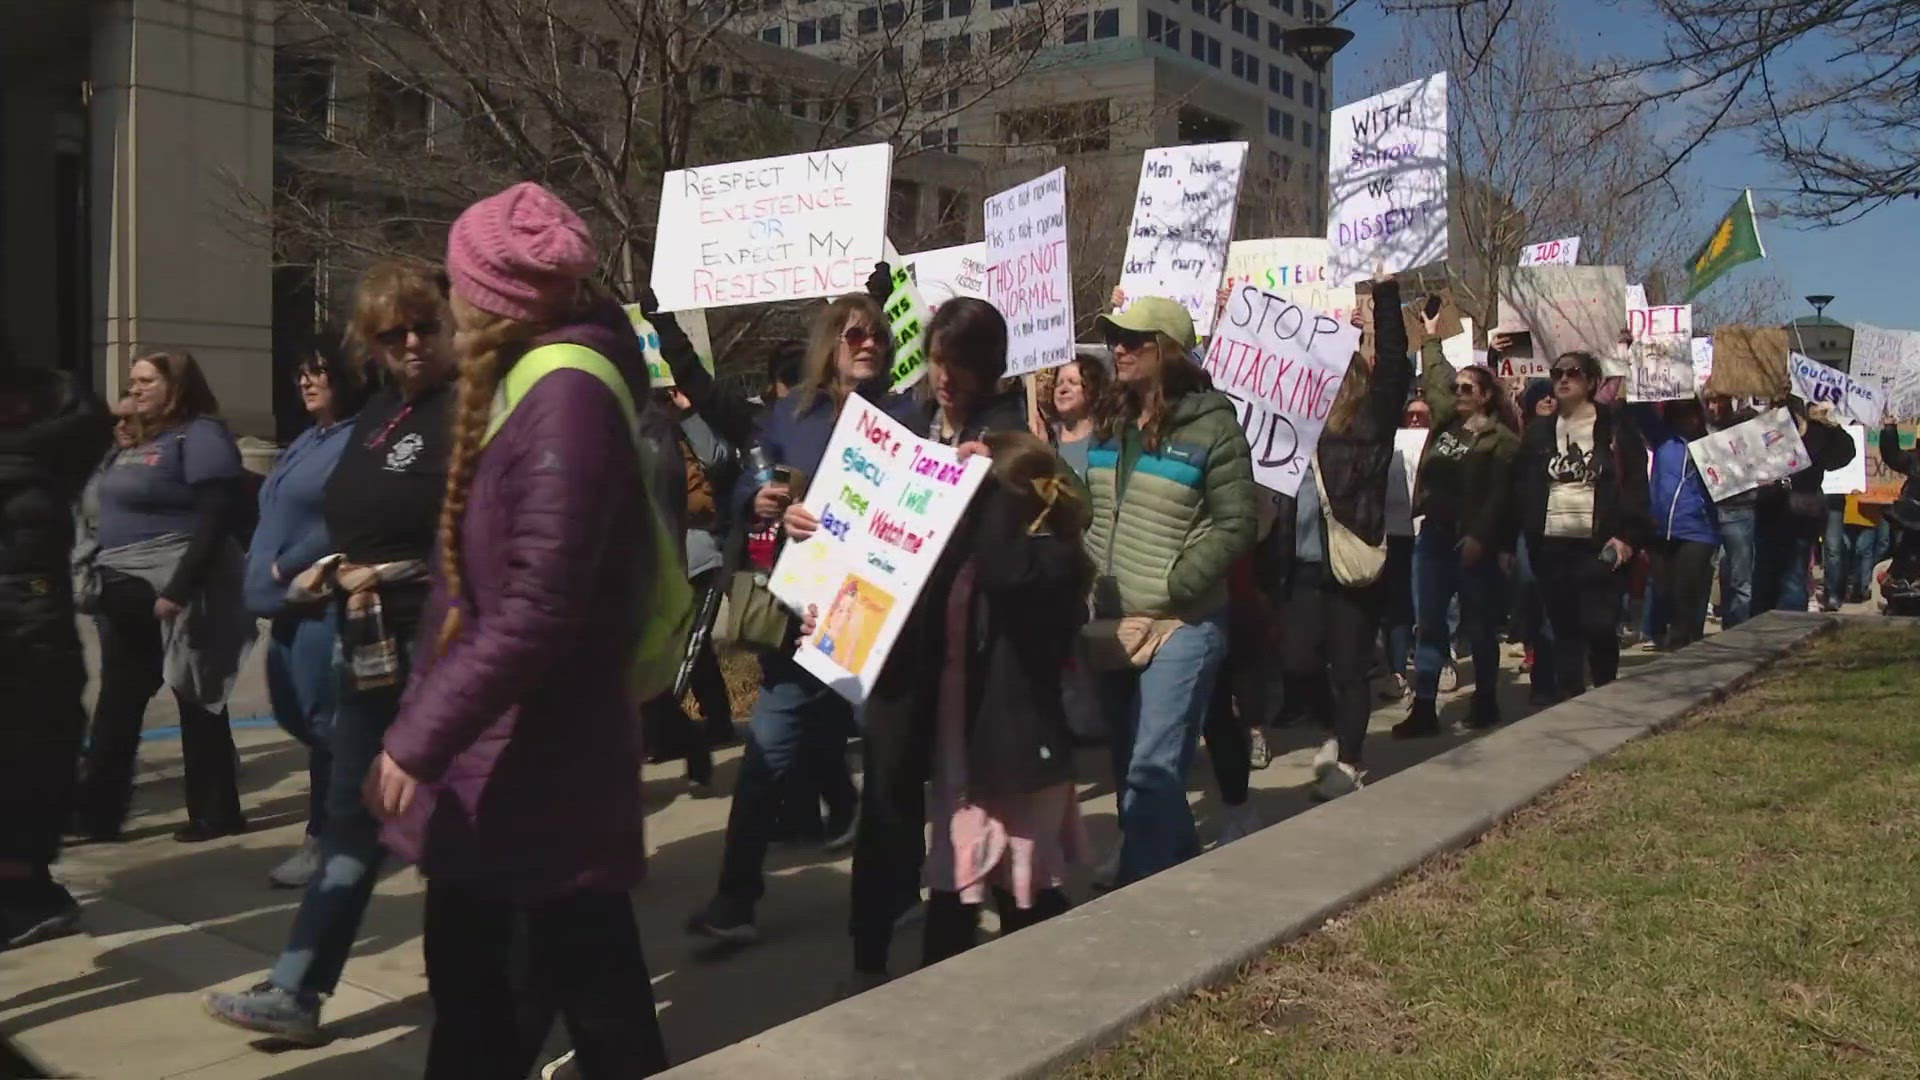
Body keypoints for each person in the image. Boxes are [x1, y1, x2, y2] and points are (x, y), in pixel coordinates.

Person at [373, 182, 669, 1075]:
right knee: (576, 992)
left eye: (455, 282)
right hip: (515, 761)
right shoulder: (534, 382)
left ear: (486, 294)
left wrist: (418, 739)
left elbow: (539, 604)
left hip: (533, 765)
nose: (446, 300)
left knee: (494, 1013)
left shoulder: (563, 395)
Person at [205, 261, 455, 1043]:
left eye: (424, 326)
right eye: (391, 332)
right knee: (350, 819)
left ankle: (480, 988)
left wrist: (400, 571)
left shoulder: (471, 407)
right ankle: (297, 989)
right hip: (367, 636)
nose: (410, 342)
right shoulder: (382, 412)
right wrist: (331, 566)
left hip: (437, 642)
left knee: (453, 823)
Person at [686, 290, 910, 950]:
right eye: (854, 335)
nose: (868, 345)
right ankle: (736, 899)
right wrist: (763, 501)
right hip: (799, 614)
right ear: (829, 345)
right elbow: (748, 487)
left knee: (890, 759)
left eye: (877, 336)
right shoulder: (790, 416)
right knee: (766, 754)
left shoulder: (906, 415)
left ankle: (899, 892)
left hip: (873, 615)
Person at [844, 297, 1034, 988]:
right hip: (896, 649)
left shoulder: (1011, 437)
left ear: (990, 367)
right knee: (886, 801)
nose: (945, 377)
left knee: (972, 801)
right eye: (936, 361)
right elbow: (856, 511)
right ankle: (868, 956)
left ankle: (989, 937)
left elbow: (1035, 549)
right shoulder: (902, 421)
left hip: (974, 657)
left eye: (960, 364)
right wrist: (813, 520)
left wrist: (995, 484)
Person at [1084, 295, 1257, 882]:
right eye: (1116, 338)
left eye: (1135, 339)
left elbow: (1239, 523)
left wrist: (1177, 583)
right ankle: (1174, 871)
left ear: (1170, 350)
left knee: (1151, 768)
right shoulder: (1109, 422)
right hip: (1113, 623)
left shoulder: (1214, 426)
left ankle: (1142, 893)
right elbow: (1095, 512)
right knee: (1129, 765)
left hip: (1183, 624)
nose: (1120, 348)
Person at [73, 350, 254, 843]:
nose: (135, 389)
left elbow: (216, 518)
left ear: (178, 385)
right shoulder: (138, 437)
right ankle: (98, 815)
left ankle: (216, 812)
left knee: (196, 696)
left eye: (147, 381)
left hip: (176, 586)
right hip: (122, 586)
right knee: (119, 702)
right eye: (132, 380)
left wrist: (179, 589)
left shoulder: (200, 435)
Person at [1255, 275, 1412, 800]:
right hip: (1298, 565)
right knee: (1297, 661)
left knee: (1349, 668)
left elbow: (1395, 366)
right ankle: (1334, 731)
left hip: (1349, 562)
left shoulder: (1369, 423)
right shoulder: (1288, 425)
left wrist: (1385, 296)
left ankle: (1350, 760)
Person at [243, 338, 370, 888]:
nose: (306, 381)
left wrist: (288, 565)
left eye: (318, 372)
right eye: (301, 372)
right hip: (283, 607)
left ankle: (331, 836)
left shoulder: (357, 438)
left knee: (326, 724)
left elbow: (345, 516)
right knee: (298, 715)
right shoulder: (307, 438)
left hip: (320, 603)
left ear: (346, 377)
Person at [0, 353, 110, 948]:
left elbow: (86, 421)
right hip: (29, 624)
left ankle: (26, 891)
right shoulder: (36, 454)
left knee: (35, 754)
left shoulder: (41, 447)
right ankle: (25, 892)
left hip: (30, 622)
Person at [1394, 334, 1519, 738]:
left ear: (1485, 396)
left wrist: (1481, 537)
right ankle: (1424, 707)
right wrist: (1430, 336)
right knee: (1429, 623)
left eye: (1467, 388)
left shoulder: (1502, 440)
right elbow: (1435, 377)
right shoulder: (1446, 423)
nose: (1459, 393)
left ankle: (1485, 701)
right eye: (1457, 388)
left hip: (1473, 541)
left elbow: (1502, 495)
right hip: (1433, 536)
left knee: (1479, 625)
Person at [1512, 351, 1649, 701]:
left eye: (1572, 372)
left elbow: (1636, 487)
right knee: (1564, 630)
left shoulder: (1615, 429)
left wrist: (1628, 538)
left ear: (1591, 382)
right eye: (1557, 372)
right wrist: (1528, 536)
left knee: (1600, 624)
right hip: (1552, 545)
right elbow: (1521, 486)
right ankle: (1570, 699)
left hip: (1600, 545)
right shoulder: (1539, 432)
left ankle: (1605, 693)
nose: (1563, 379)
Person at [1629, 398, 1718, 650]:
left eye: (1691, 414)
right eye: (1680, 415)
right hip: (1660, 529)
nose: (1688, 420)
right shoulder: (1662, 438)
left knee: (1685, 590)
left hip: (1697, 530)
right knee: (1663, 589)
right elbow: (1639, 407)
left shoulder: (1713, 445)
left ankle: (1683, 641)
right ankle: (1668, 635)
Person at [1751, 399, 1854, 614]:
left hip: (1800, 515)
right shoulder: (1760, 426)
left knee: (1794, 578)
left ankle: (1789, 625)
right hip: (1768, 512)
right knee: (1764, 577)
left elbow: (1843, 455)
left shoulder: (1816, 431)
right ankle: (1761, 623)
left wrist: (1831, 425)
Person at [1046, 353, 1109, 478]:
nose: (1063, 389)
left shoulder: (1106, 440)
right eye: (1058, 384)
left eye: (1073, 382)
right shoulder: (1046, 436)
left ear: (1092, 389)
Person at [1824, 492, 1880, 609]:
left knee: (1862, 550)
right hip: (1837, 500)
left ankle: (1861, 588)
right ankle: (1836, 593)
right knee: (1837, 551)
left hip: (1865, 505)